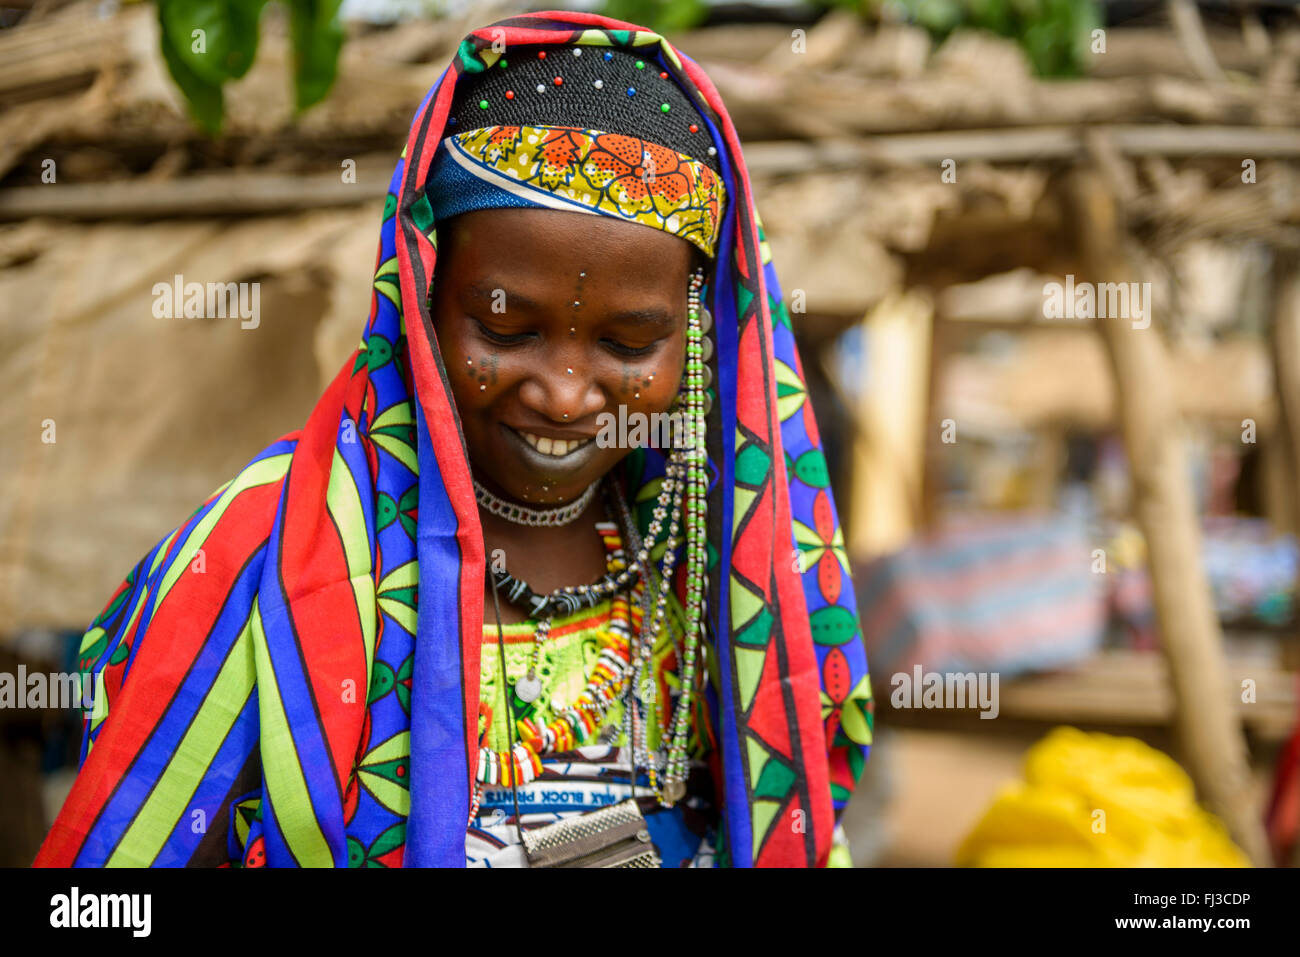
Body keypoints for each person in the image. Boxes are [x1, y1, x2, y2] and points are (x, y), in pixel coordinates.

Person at [35, 9, 873, 868]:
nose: (564, 393)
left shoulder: (728, 564)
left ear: (694, 336)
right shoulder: (277, 547)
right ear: (424, 293)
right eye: (506, 331)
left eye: (628, 345)